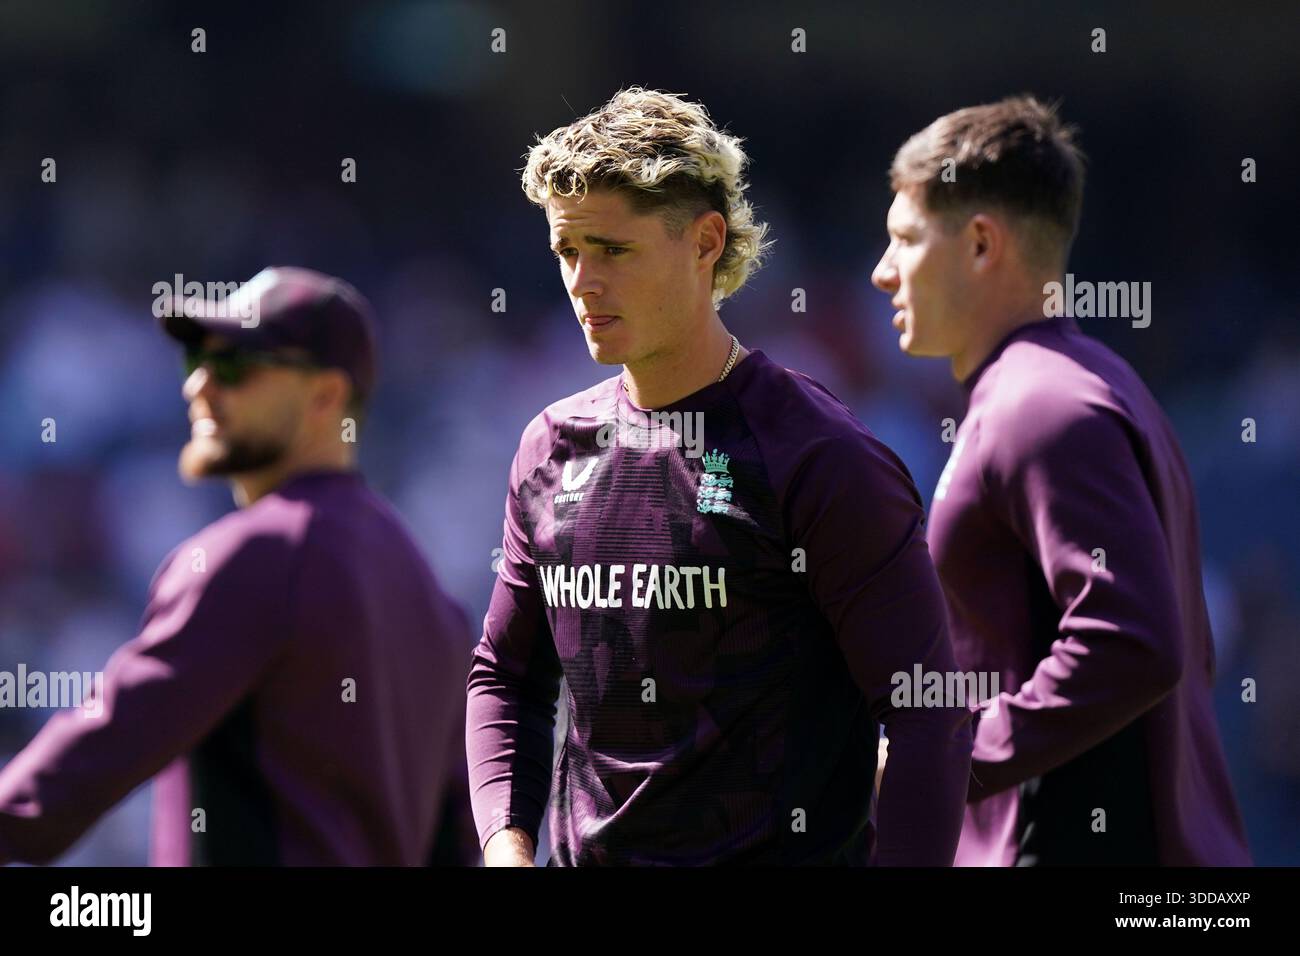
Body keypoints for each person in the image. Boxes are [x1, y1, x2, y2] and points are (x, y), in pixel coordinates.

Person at [467, 88, 972, 866]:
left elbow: (928, 713)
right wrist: (506, 847)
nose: (583, 281)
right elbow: (504, 677)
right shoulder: (549, 448)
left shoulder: (817, 456)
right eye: (568, 251)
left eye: (614, 250)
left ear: (706, 241)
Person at [870, 96, 1252, 865]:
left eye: (905, 240)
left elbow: (1135, 640)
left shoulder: (1039, 405)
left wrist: (949, 759)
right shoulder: (1092, 382)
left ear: (981, 245)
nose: (881, 274)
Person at [0, 266, 477, 866]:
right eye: (194, 362)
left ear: (325, 396)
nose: (199, 385)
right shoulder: (430, 596)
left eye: (234, 367)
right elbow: (457, 844)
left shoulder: (262, 553)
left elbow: (93, 756)